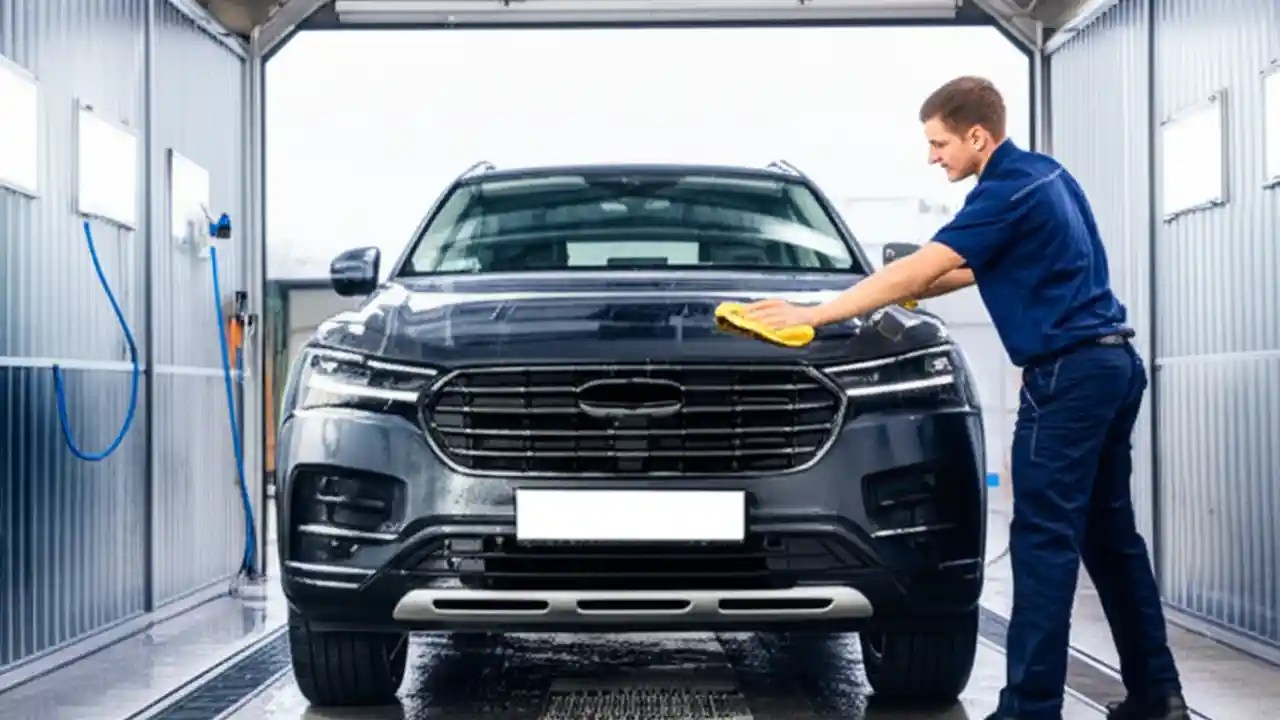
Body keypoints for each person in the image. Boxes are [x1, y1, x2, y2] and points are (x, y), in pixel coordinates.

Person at [742, 76, 1188, 720]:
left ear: (978, 135)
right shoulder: (1046, 178)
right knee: (1111, 539)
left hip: (1065, 379)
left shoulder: (1004, 189)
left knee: (1043, 545)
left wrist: (820, 312)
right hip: (1111, 365)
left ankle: (1028, 711)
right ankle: (1159, 695)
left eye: (939, 143)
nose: (933, 157)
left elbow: (927, 261)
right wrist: (904, 291)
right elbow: (967, 268)